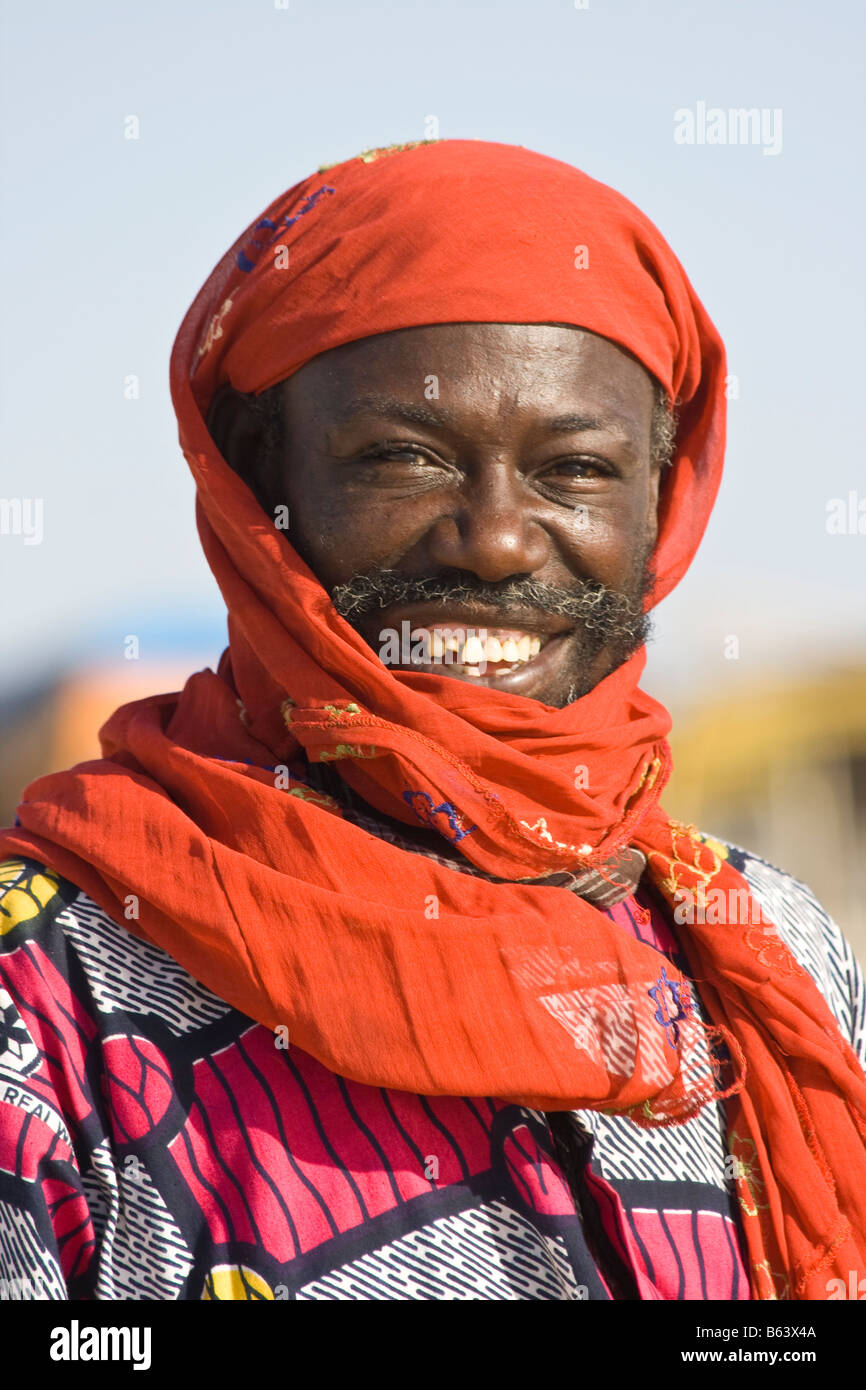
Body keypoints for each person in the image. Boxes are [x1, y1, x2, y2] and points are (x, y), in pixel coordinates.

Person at [1, 139, 864, 1303]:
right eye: (404, 458)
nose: (497, 541)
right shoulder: (51, 996)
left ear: (659, 499)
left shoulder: (764, 942)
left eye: (573, 469)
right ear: (257, 486)